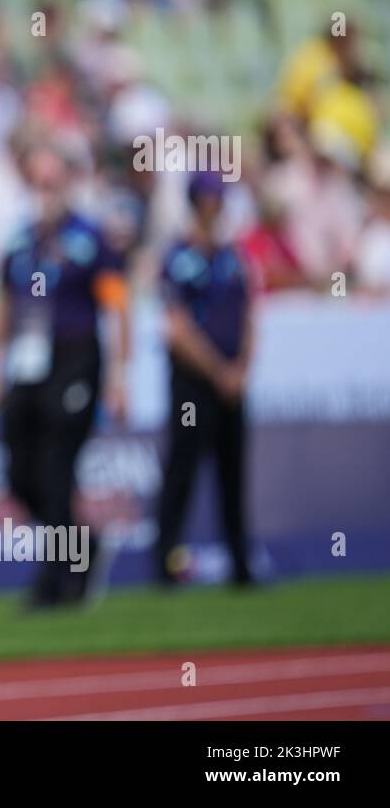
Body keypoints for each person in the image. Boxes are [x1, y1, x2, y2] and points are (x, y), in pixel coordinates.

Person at [0, 143, 130, 608]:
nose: (44, 191)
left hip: (76, 358)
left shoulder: (91, 239)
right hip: (29, 364)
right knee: (17, 469)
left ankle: (53, 582)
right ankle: (81, 546)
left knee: (57, 466)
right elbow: (4, 308)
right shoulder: (20, 241)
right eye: (38, 182)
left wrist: (119, 377)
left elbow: (117, 307)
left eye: (52, 182)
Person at [154, 170, 255, 587]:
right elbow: (178, 330)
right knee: (184, 467)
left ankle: (240, 563)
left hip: (231, 380)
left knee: (233, 471)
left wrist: (241, 368)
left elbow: (248, 316)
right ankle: (167, 561)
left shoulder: (232, 257)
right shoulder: (179, 258)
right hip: (194, 383)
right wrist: (218, 371)